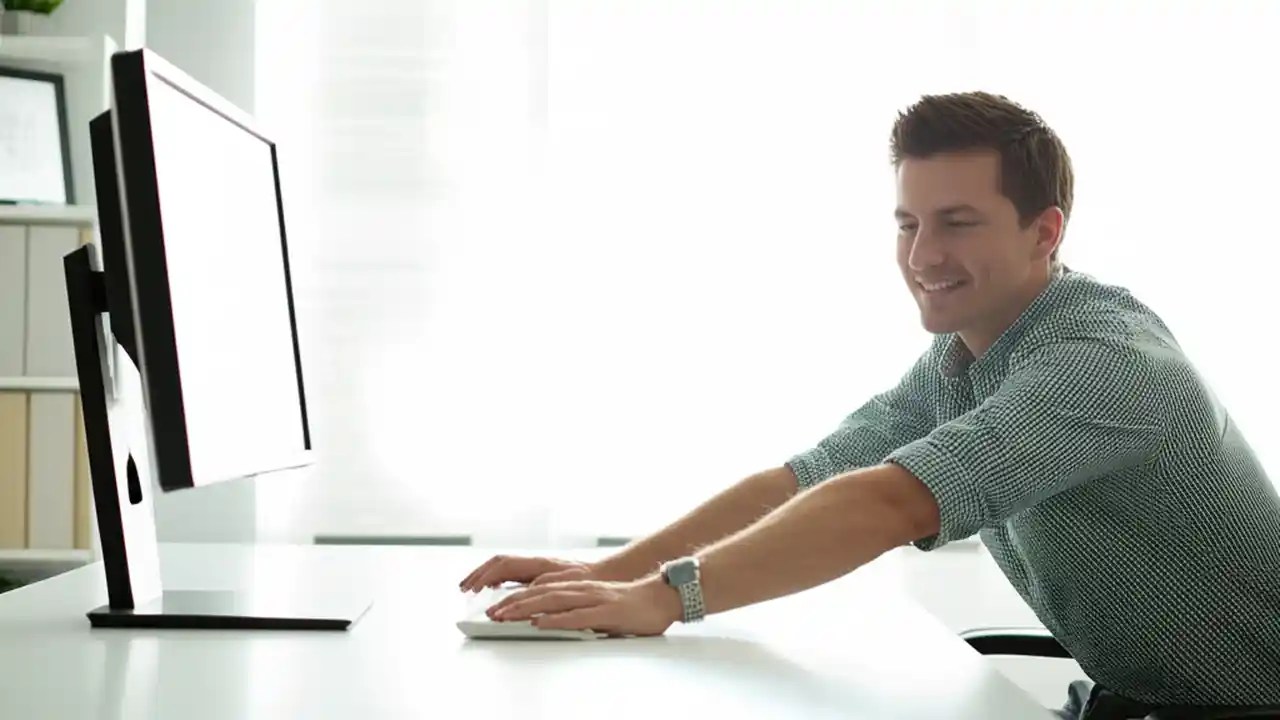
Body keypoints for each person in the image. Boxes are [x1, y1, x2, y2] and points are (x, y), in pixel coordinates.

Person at [459, 91, 1280, 719]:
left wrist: (665, 596)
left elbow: (888, 500)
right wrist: (615, 573)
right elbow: (807, 479)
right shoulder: (972, 354)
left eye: (957, 223)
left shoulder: (1104, 361)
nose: (923, 255)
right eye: (908, 223)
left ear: (1045, 231)